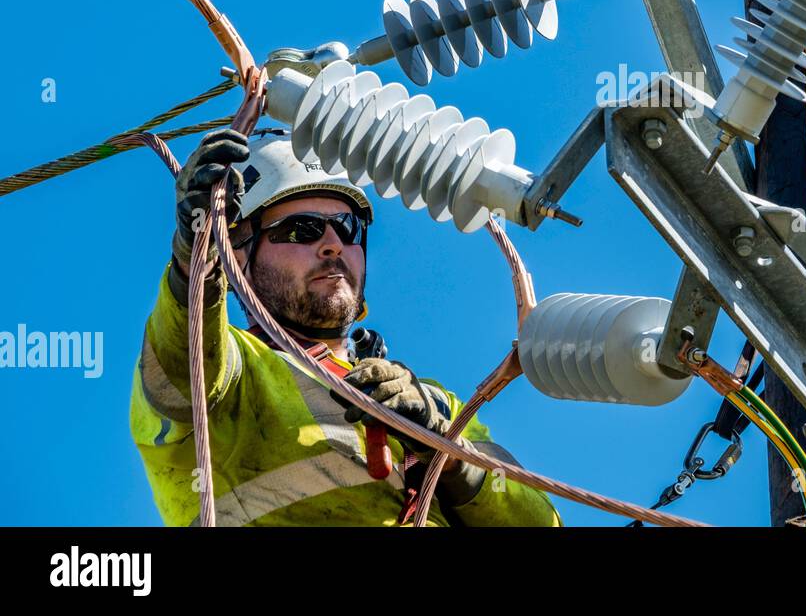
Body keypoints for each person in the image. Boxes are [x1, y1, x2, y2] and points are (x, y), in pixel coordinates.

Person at [129, 128, 560, 527]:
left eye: (346, 226)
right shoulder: (234, 373)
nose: (334, 243)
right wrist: (195, 262)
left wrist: (449, 457)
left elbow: (541, 521)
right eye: (303, 229)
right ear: (237, 253)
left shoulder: (431, 401)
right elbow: (176, 375)